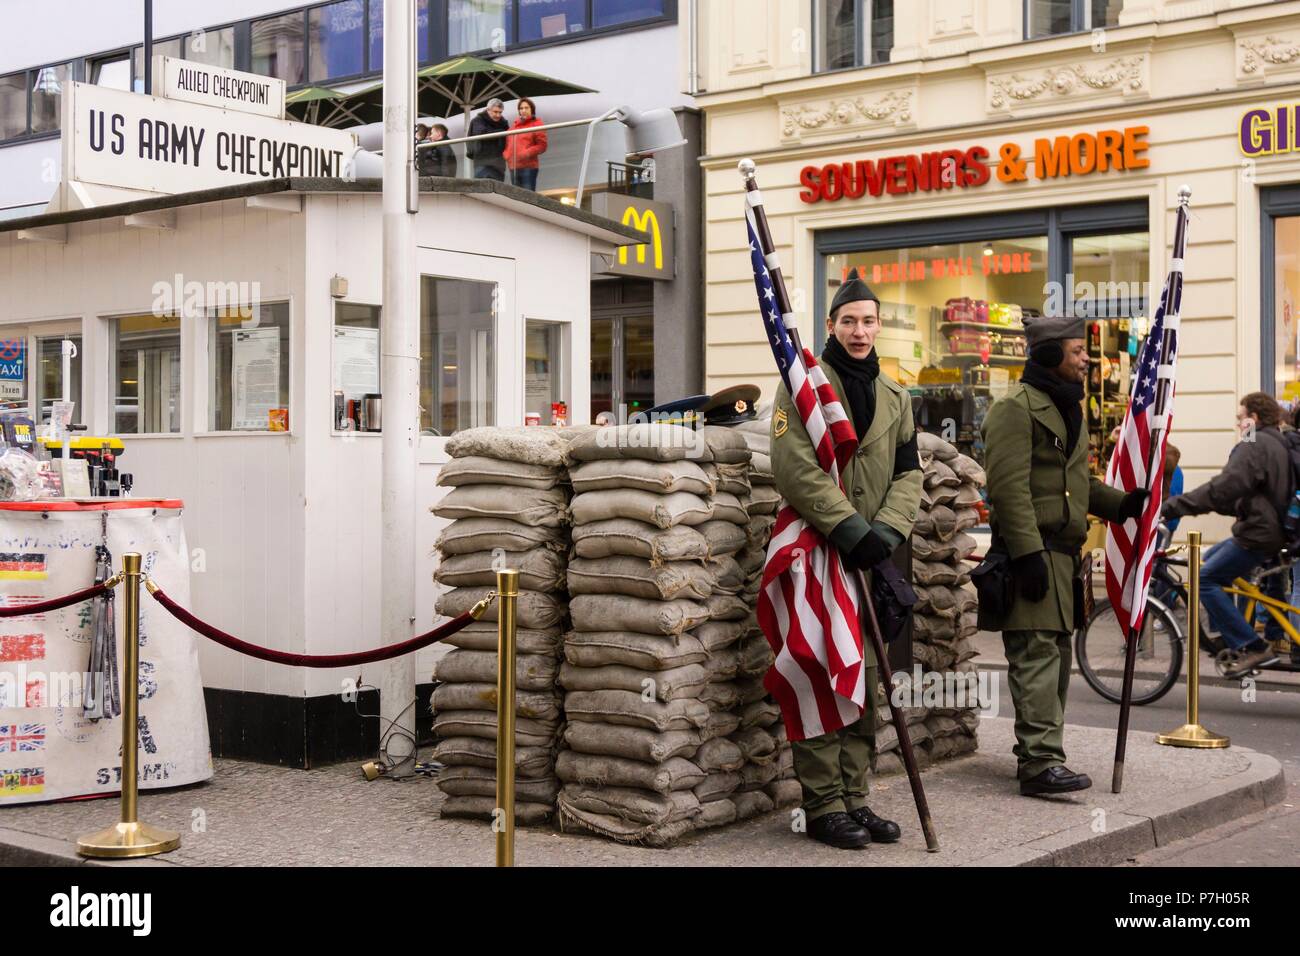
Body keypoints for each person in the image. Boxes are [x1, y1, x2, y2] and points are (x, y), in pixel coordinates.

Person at [769, 269, 922, 850]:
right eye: (850, 321)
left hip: (873, 554)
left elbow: (909, 472)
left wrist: (885, 530)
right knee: (819, 668)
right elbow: (793, 467)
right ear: (830, 325)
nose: (860, 331)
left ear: (880, 327)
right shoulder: (803, 386)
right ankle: (823, 803)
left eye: (870, 321)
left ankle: (856, 796)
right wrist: (849, 527)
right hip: (821, 549)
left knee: (867, 675)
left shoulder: (896, 395)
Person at [981, 316, 1146, 797]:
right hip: (1031, 553)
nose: (1085, 360)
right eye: (1077, 351)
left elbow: (1079, 486)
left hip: (1063, 556)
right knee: (1034, 657)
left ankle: (1042, 755)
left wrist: (1126, 505)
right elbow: (1008, 490)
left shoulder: (1067, 406)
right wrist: (1027, 554)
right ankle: (1039, 764)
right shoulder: (1015, 408)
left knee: (1054, 658)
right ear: (1050, 354)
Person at [1161, 392, 1291, 676]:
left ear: (1253, 418)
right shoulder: (1275, 440)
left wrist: (1173, 507)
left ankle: (1252, 647)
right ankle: (1227, 637)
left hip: (1257, 534)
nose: (1237, 424)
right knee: (1207, 561)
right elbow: (1247, 493)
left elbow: (1223, 487)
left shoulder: (1253, 442)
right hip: (1265, 529)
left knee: (1203, 579)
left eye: (1239, 418)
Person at [504, 98, 548, 191]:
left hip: (529, 167)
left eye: (526, 108)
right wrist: (507, 155)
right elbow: (507, 144)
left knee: (528, 199)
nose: (523, 110)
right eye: (521, 108)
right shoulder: (513, 127)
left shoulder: (537, 124)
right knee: (516, 198)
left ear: (532, 109)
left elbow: (542, 146)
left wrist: (526, 153)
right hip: (514, 168)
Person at [467, 99, 509, 181]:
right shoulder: (478, 121)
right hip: (483, 163)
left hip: (499, 164)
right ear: (488, 110)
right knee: (482, 191)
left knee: (498, 192)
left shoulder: (503, 123)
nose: (498, 115)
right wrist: (502, 132)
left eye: (500, 112)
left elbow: (509, 140)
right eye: (495, 112)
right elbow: (483, 134)